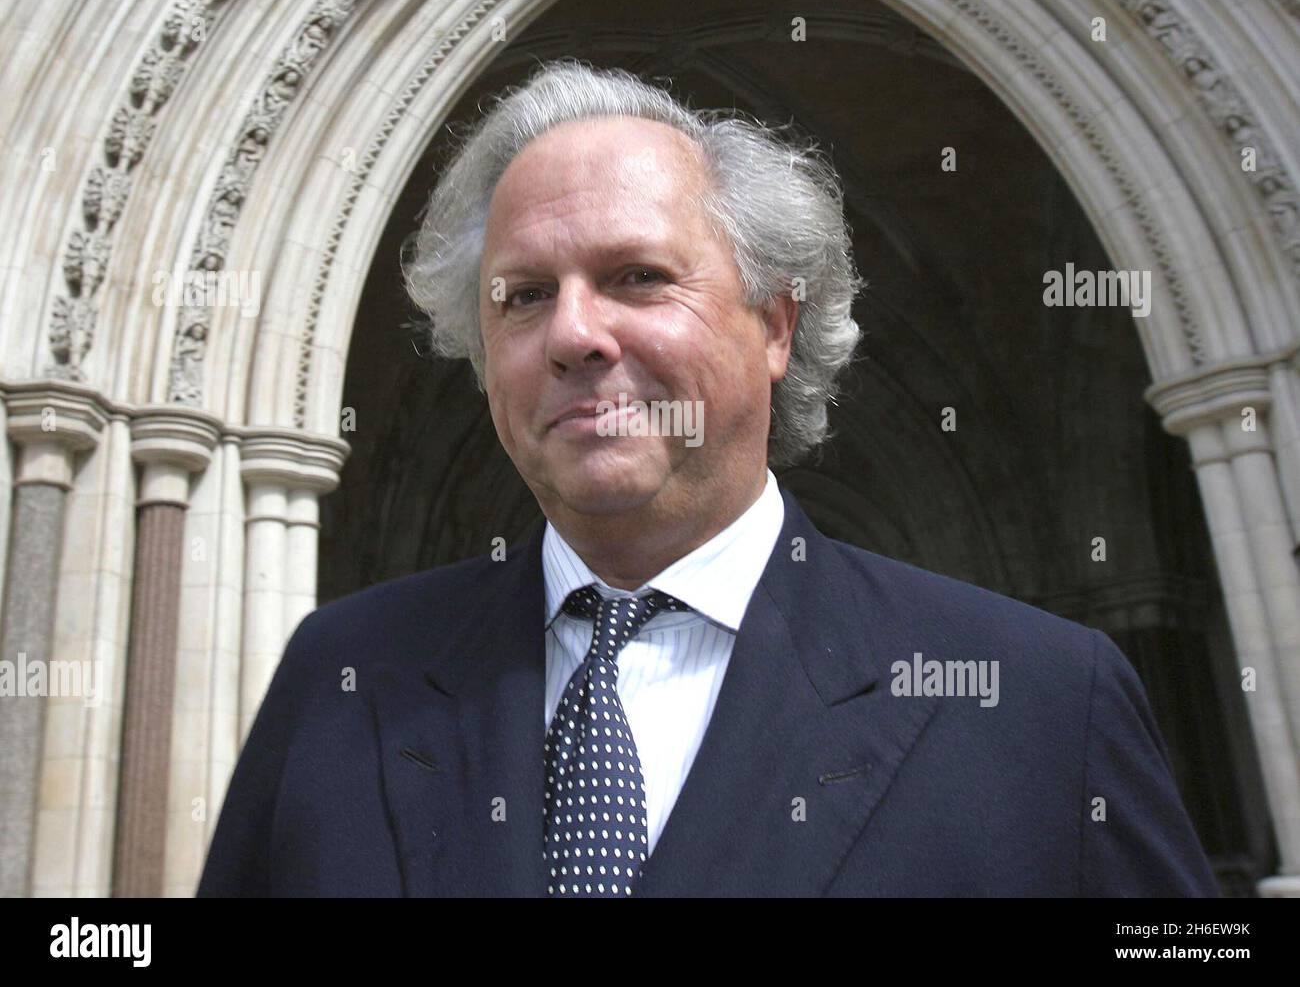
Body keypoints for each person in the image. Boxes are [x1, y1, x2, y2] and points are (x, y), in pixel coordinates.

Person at [196, 59, 1219, 897]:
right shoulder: (343, 678)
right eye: (522, 296)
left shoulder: (1038, 700)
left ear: (774, 324)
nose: (573, 334)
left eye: (637, 277)